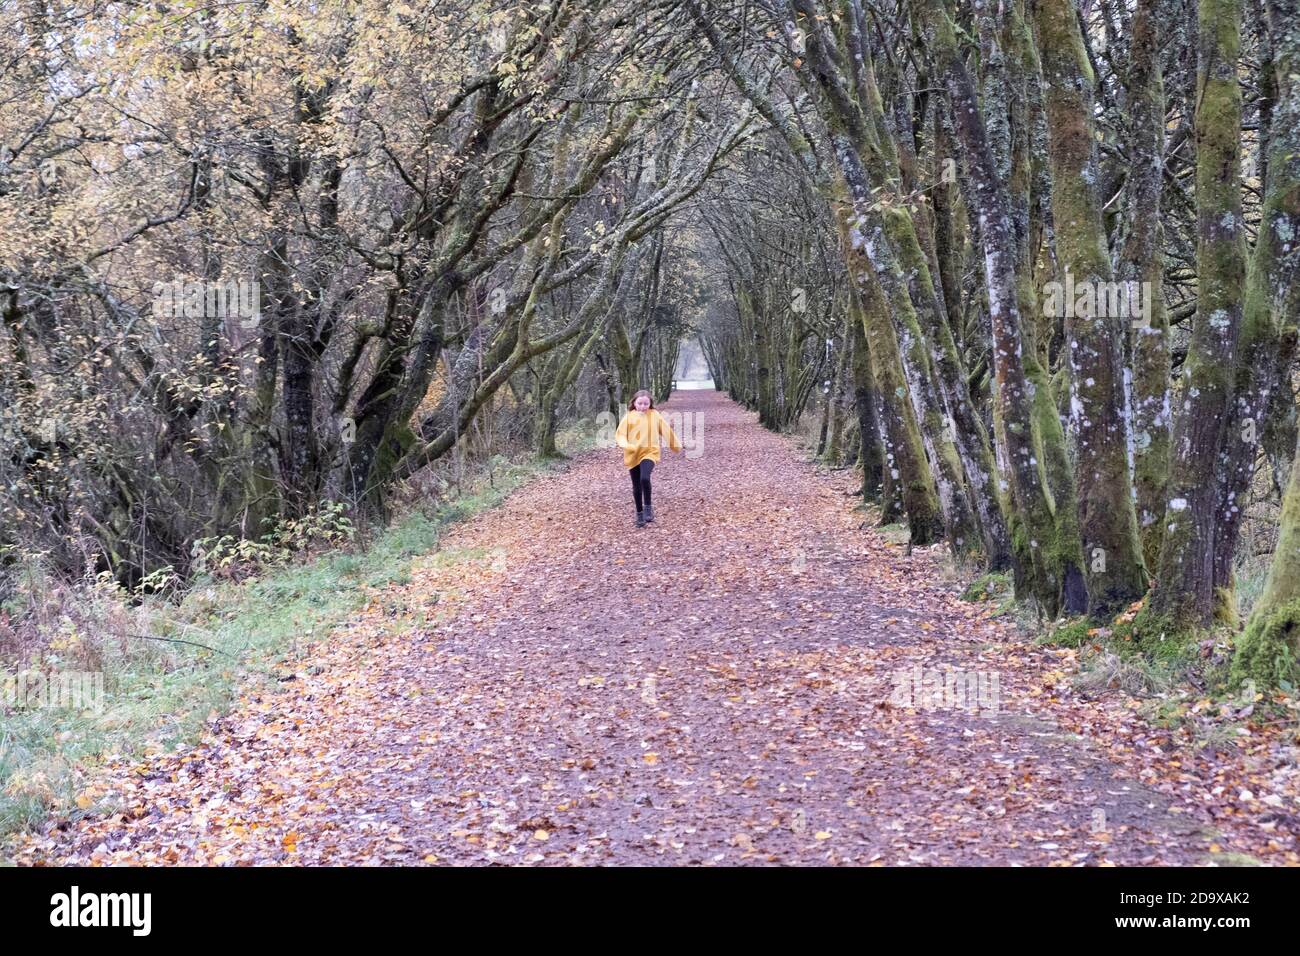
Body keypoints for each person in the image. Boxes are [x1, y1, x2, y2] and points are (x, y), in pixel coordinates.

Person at [615, 389, 683, 527]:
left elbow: (666, 431)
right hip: (633, 454)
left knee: (644, 478)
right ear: (634, 403)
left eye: (646, 404)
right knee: (636, 485)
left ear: (650, 404)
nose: (643, 406)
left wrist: (675, 446)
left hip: (650, 452)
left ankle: (648, 508)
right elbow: (620, 435)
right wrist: (627, 445)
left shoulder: (655, 415)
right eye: (640, 403)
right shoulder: (628, 417)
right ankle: (639, 514)